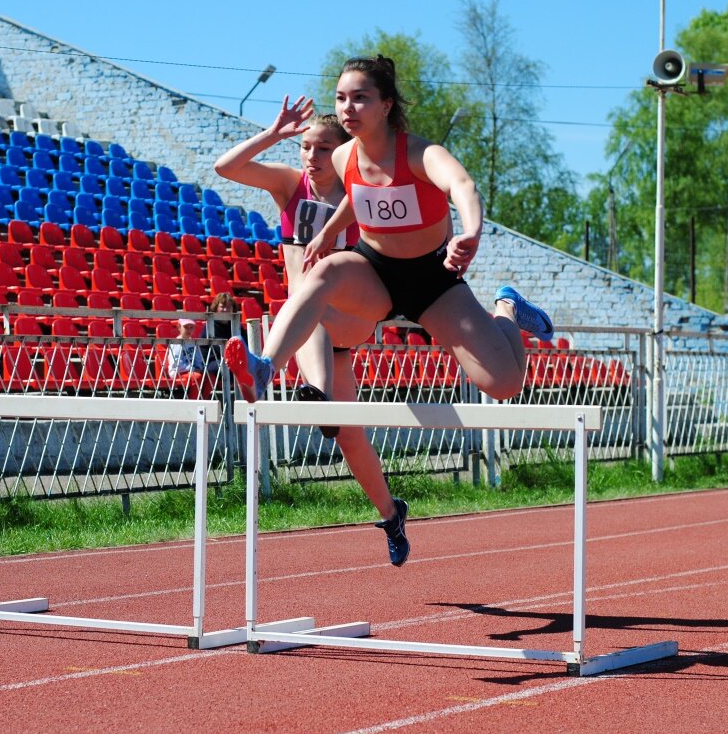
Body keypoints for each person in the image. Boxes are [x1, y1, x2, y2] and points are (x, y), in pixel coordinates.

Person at [224, 55, 555, 568]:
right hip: (377, 271)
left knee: (503, 384)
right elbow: (360, 195)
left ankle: (508, 309)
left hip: (432, 279)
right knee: (324, 273)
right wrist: (332, 233)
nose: (348, 107)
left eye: (359, 98)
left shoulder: (423, 153)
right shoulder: (342, 158)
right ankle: (265, 367)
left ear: (386, 105)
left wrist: (469, 232)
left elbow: (463, 188)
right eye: (340, 98)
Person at [214, 98, 409, 566]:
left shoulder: (359, 192)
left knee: (315, 299)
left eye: (323, 149)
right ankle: (391, 514)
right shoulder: (289, 186)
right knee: (348, 435)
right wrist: (275, 133)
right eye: (305, 147)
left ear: (343, 153)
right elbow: (226, 167)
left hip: (352, 319)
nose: (311, 157)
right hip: (310, 335)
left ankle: (295, 386)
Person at [165, 318, 214, 399]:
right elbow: (177, 364)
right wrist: (194, 369)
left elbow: (199, 359)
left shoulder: (193, 343)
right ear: (179, 327)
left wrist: (199, 368)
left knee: (211, 377)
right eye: (186, 327)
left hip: (192, 371)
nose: (189, 330)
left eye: (191, 327)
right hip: (179, 372)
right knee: (197, 377)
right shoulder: (176, 343)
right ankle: (193, 401)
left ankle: (203, 399)